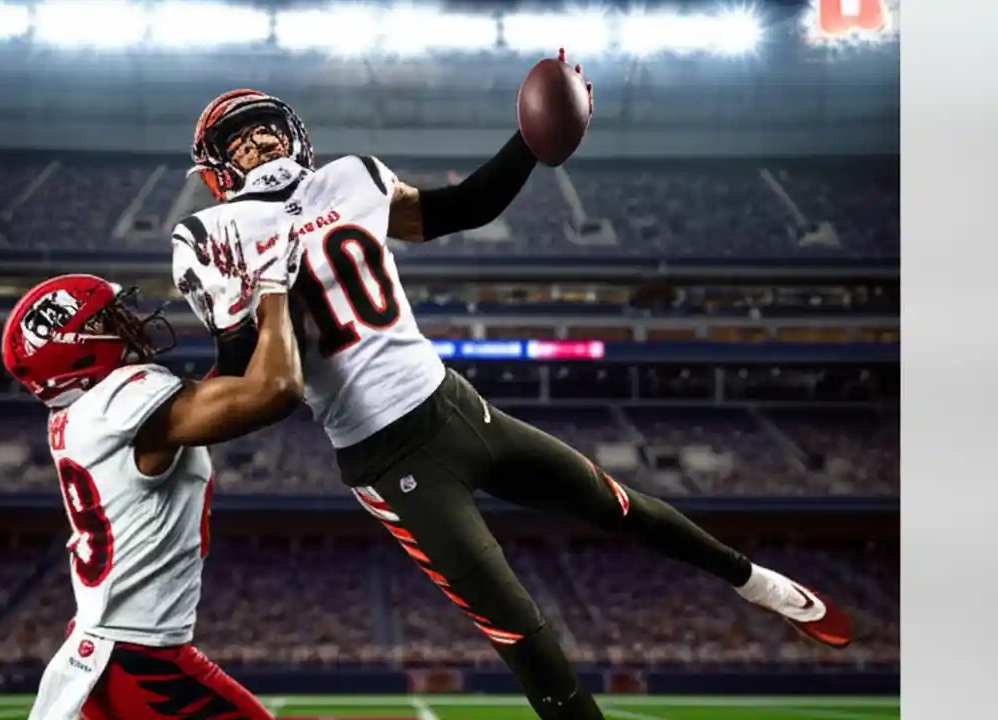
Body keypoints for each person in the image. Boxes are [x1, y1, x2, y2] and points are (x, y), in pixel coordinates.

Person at [169, 78, 852, 720]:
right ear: (216, 169)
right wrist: (247, 307)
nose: (257, 144)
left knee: (614, 502)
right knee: (517, 626)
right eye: (239, 141)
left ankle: (761, 584)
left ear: (295, 134)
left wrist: (529, 142)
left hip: (454, 404)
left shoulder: (353, 177)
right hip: (387, 456)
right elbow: (247, 382)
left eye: (264, 130)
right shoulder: (210, 237)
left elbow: (459, 209)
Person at [2, 225, 303, 720]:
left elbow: (217, 401)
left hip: (108, 653)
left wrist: (232, 326)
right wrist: (273, 285)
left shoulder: (83, 414)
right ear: (76, 345)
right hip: (140, 663)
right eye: (106, 319)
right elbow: (275, 391)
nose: (128, 322)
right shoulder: (120, 402)